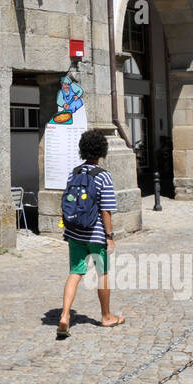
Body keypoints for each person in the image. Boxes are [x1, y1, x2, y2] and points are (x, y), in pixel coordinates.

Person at [56, 129, 124, 339]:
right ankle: (106, 316)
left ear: (83, 149)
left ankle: (65, 315)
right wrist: (109, 236)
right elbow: (106, 210)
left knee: (75, 273)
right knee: (103, 274)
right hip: (95, 234)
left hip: (74, 232)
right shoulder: (103, 176)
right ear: (102, 150)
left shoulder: (74, 173)